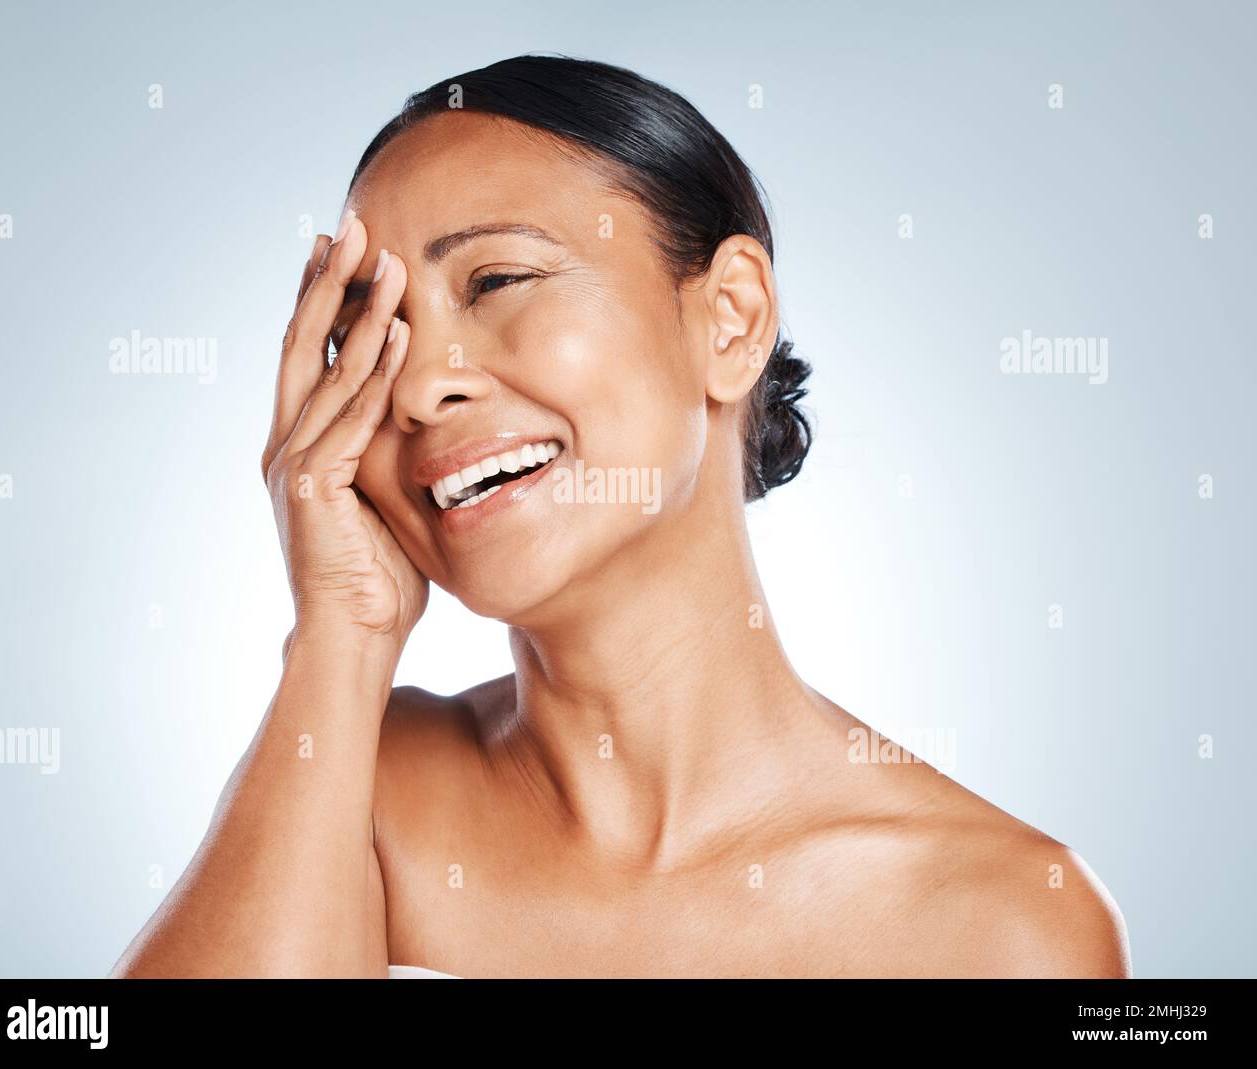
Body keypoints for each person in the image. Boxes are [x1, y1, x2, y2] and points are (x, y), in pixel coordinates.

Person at [110, 54, 1130, 978]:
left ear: (727, 320)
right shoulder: (351, 791)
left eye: (498, 279)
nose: (418, 386)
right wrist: (338, 630)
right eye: (366, 334)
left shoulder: (1004, 923)